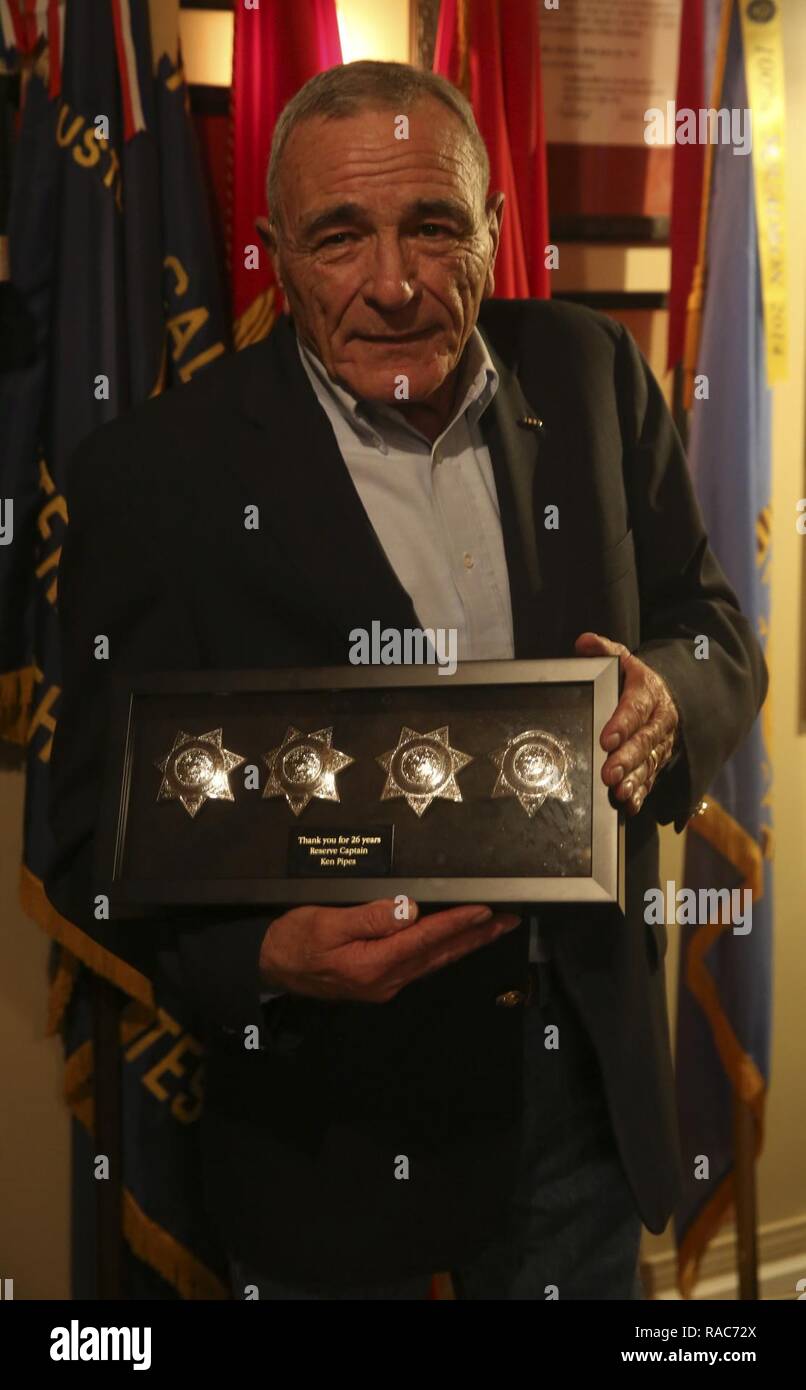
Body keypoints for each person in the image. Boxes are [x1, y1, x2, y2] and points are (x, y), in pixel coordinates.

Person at [46, 61, 767, 1300]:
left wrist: (664, 695)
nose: (394, 283)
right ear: (272, 254)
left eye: (433, 227)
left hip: (583, 1103)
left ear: (492, 227)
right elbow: (82, 837)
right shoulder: (153, 479)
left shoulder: (591, 373)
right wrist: (266, 957)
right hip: (328, 1140)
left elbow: (709, 630)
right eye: (341, 237)